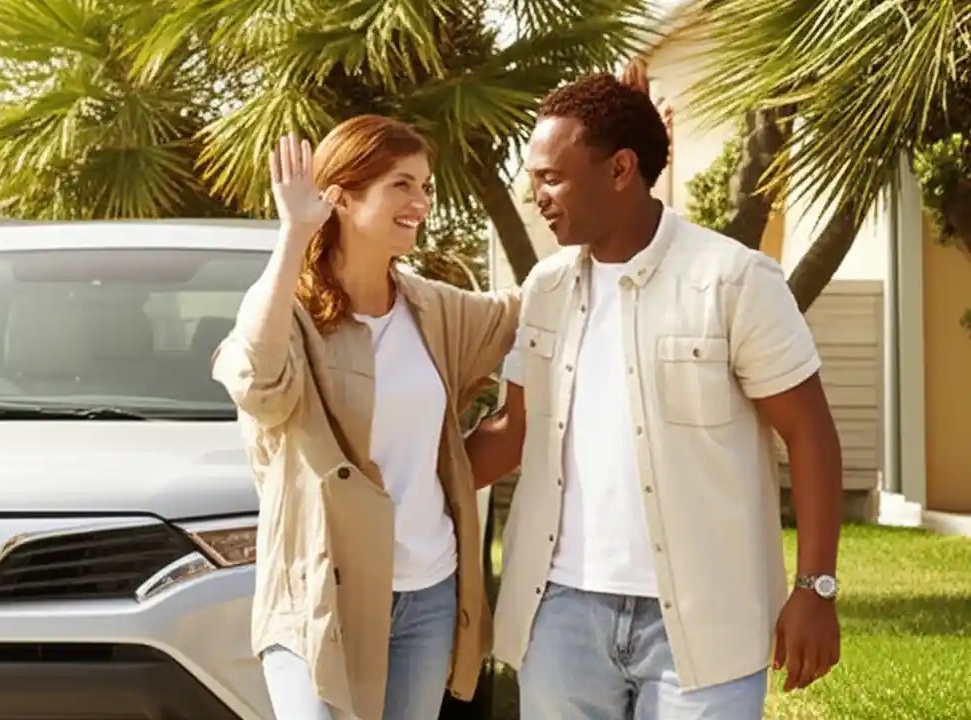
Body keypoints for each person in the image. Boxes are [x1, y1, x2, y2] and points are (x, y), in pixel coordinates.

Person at [465, 73, 844, 719]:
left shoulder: (731, 279)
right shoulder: (547, 288)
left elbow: (809, 434)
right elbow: (514, 429)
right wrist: (399, 478)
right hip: (560, 611)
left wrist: (816, 588)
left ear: (620, 169)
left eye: (552, 178)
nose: (540, 198)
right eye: (534, 181)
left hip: (704, 619)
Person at [211, 115, 519, 720]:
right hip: (316, 596)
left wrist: (626, 178)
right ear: (341, 198)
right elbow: (258, 384)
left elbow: (531, 309)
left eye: (425, 186)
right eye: (401, 185)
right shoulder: (285, 310)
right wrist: (294, 235)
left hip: (426, 592)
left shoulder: (435, 309)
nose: (421, 202)